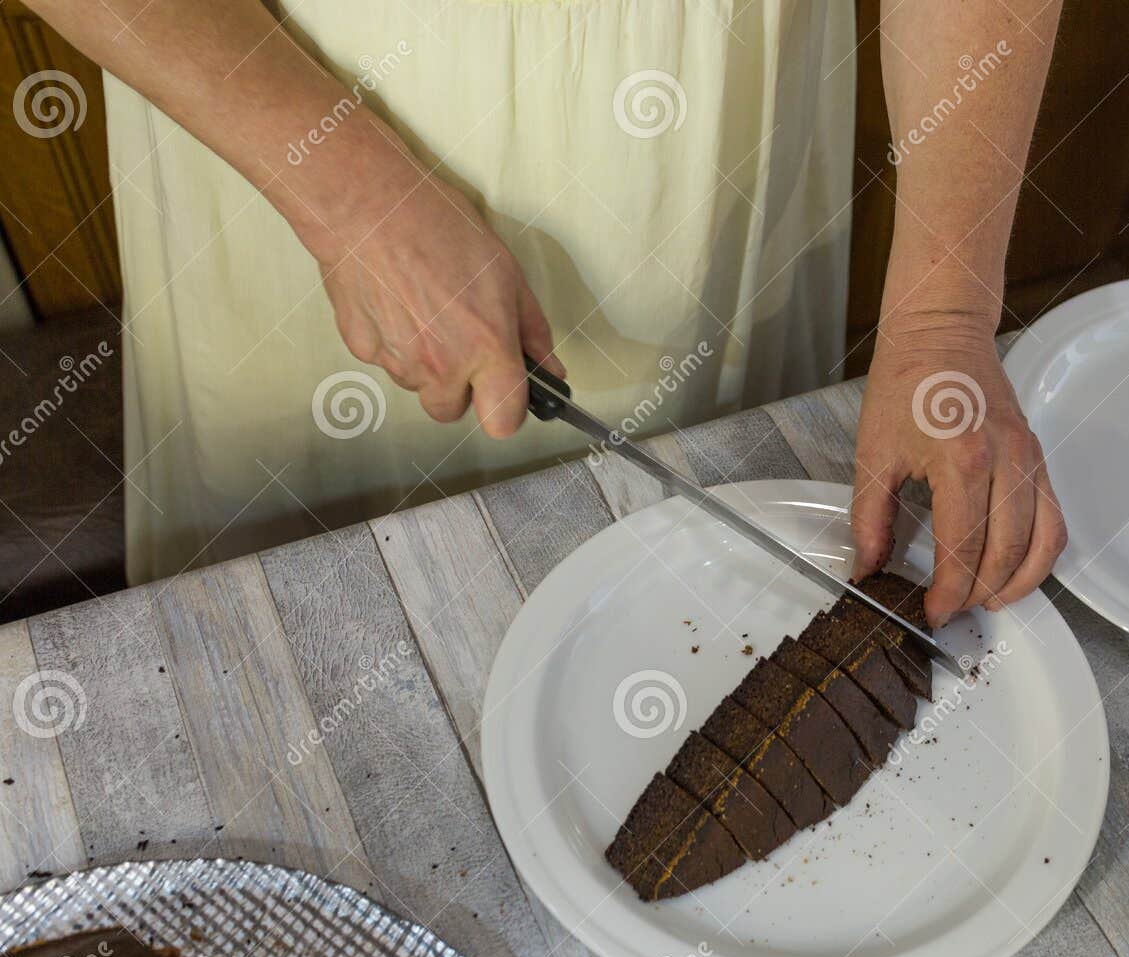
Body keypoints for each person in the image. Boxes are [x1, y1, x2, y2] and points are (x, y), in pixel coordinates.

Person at [33, 0, 1067, 626]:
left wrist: (940, 320)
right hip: (291, 114)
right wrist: (341, 190)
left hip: (715, 143)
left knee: (706, 611)